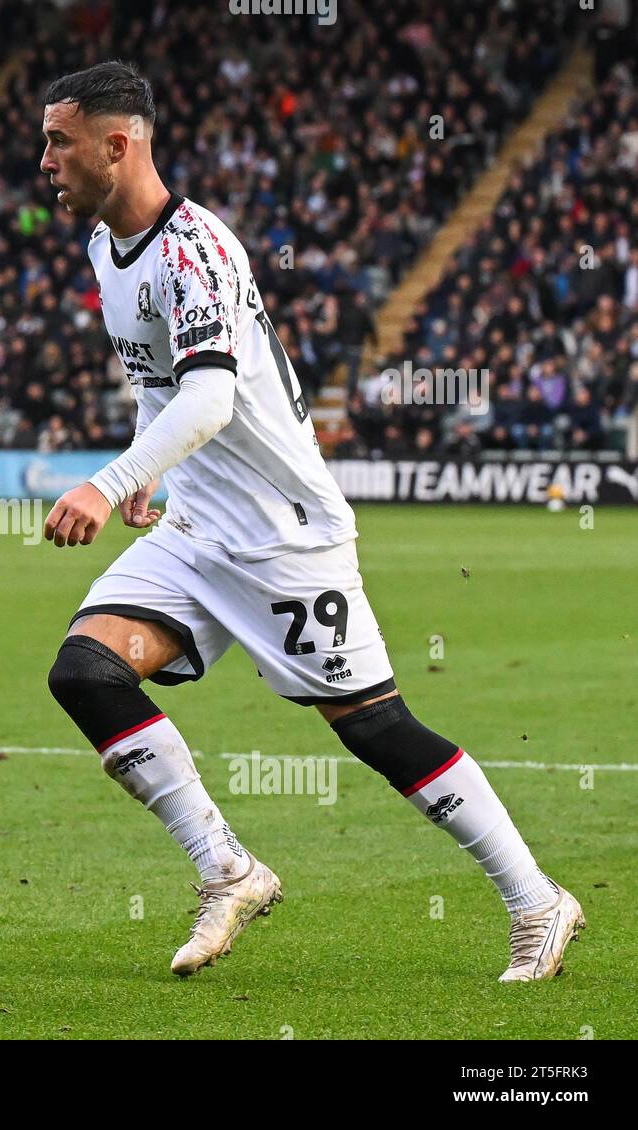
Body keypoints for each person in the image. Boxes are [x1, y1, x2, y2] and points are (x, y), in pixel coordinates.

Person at [37, 62, 582, 982]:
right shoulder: (104, 247)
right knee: (85, 673)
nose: (44, 158)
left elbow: (209, 399)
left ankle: (537, 900)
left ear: (116, 144)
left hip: (287, 536)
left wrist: (106, 482)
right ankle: (228, 870)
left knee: (376, 729)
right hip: (198, 531)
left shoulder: (194, 249)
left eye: (58, 140)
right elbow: (158, 383)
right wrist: (149, 475)